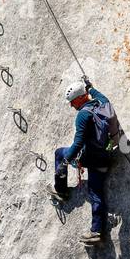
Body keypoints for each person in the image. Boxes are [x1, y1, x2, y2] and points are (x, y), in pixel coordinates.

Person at [51, 79, 112, 247]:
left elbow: (77, 144)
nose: (71, 106)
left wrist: (64, 162)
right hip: (106, 156)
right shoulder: (103, 105)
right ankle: (97, 232)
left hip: (90, 157)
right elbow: (101, 96)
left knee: (59, 153)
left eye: (72, 102)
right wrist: (91, 87)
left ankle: (61, 191)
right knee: (96, 192)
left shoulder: (83, 115)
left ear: (79, 98)